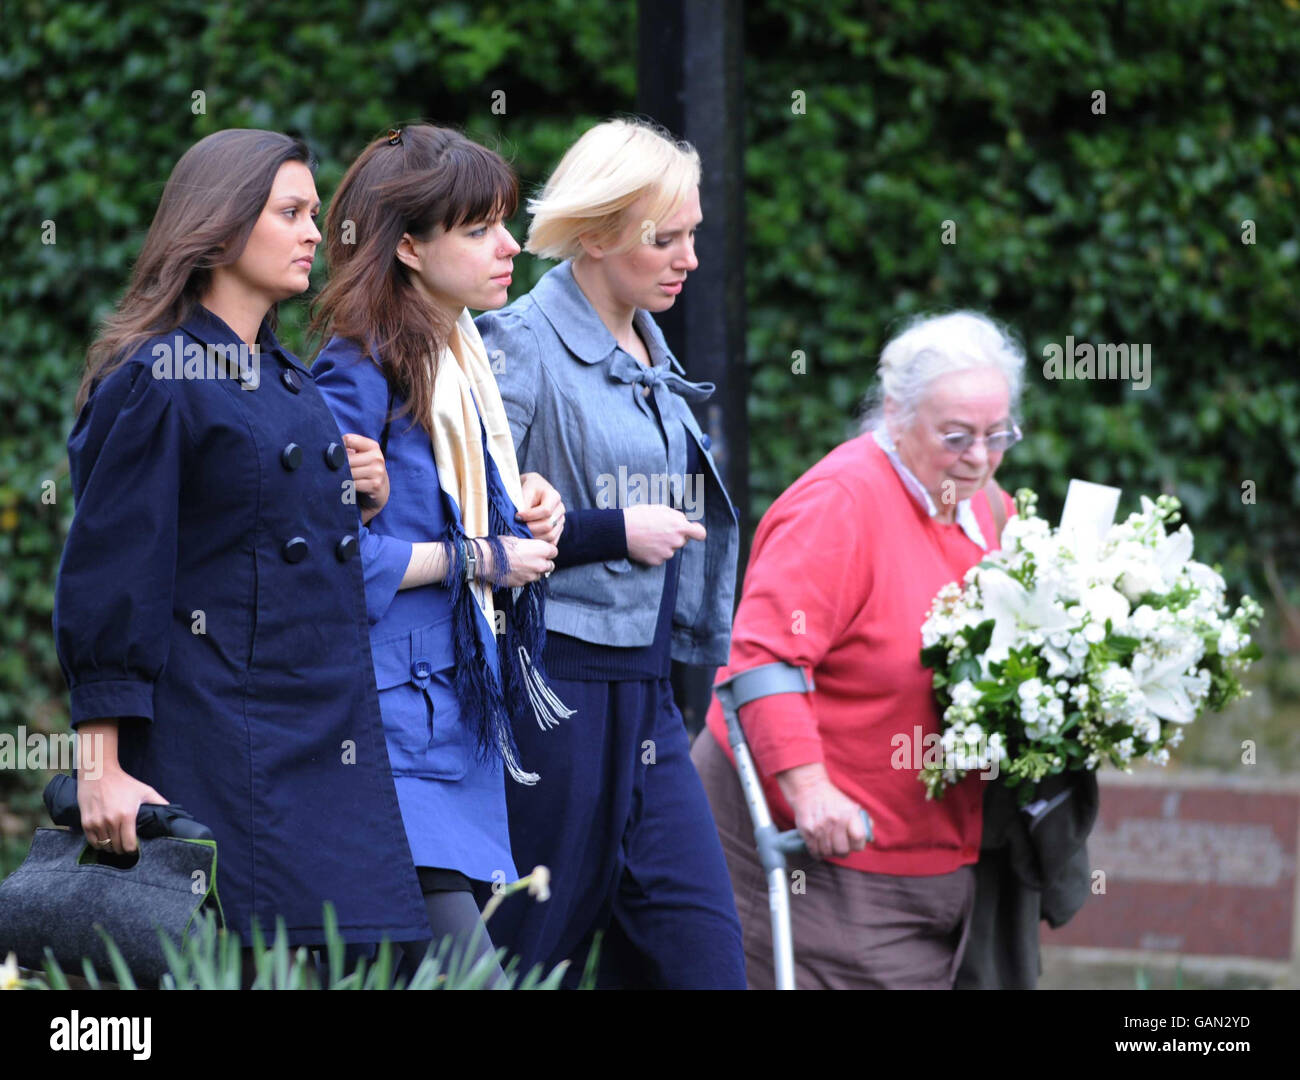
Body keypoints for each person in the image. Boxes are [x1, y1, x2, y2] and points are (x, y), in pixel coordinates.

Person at [54, 129, 430, 967]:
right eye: (289, 213)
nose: (312, 234)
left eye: (311, 213)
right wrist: (98, 768)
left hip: (320, 748)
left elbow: (271, 544)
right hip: (220, 750)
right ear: (220, 227)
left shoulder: (288, 378)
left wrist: (358, 497)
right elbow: (111, 578)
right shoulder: (160, 378)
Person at [476, 117, 745, 989]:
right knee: (525, 958)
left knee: (701, 961)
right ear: (593, 235)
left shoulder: (649, 351)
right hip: (552, 697)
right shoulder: (515, 346)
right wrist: (612, 531)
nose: (689, 258)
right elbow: (477, 524)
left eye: (693, 234)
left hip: (650, 699)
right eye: (663, 239)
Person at [690, 310, 1025, 989]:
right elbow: (765, 659)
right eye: (956, 436)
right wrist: (810, 790)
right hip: (830, 857)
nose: (981, 457)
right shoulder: (840, 503)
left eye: (998, 435)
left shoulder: (988, 506)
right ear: (896, 415)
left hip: (935, 849)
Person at [309, 123, 568, 982]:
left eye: (505, 221)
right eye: (479, 229)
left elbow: (454, 500)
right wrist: (481, 558)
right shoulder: (357, 368)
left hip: (449, 714)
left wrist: (528, 503)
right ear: (410, 247)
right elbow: (331, 565)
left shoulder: (459, 356)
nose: (511, 245)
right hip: (387, 732)